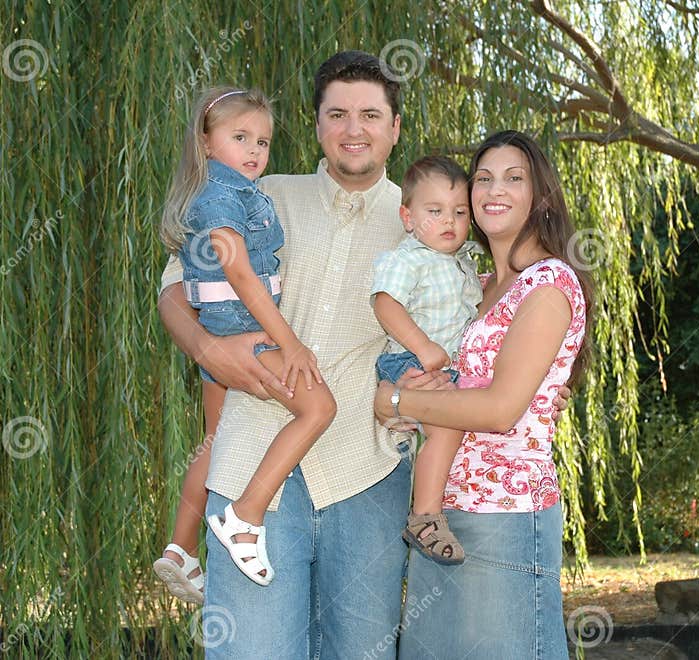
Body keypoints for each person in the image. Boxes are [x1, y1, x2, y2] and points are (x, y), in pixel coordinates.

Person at [158, 52, 570, 658]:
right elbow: (174, 286)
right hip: (251, 471)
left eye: (371, 115)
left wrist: (493, 393)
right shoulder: (259, 195)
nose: (355, 129)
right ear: (317, 125)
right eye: (338, 114)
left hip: (368, 478)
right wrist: (206, 346)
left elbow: (480, 326)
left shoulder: (427, 218)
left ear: (395, 127)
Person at [374, 130, 592, 659]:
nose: (495, 190)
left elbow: (498, 410)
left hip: (505, 512)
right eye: (484, 179)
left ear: (540, 196)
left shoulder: (546, 284)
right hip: (441, 515)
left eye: (514, 178)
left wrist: (395, 403)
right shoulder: (479, 282)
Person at [153, 86, 336, 598]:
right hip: (239, 331)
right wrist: (290, 343)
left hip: (218, 333)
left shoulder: (229, 191)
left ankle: (181, 548)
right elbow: (239, 273)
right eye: (240, 137)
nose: (255, 150)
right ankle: (246, 516)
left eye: (263, 141)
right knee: (318, 406)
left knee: (215, 441)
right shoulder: (220, 199)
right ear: (207, 142)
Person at [371, 156, 483, 564]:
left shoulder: (462, 261)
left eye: (459, 212)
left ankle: (428, 507)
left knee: (449, 428)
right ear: (408, 216)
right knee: (447, 428)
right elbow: (385, 303)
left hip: (438, 366)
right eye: (434, 212)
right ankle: (425, 517)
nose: (448, 221)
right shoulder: (409, 258)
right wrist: (422, 346)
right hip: (408, 361)